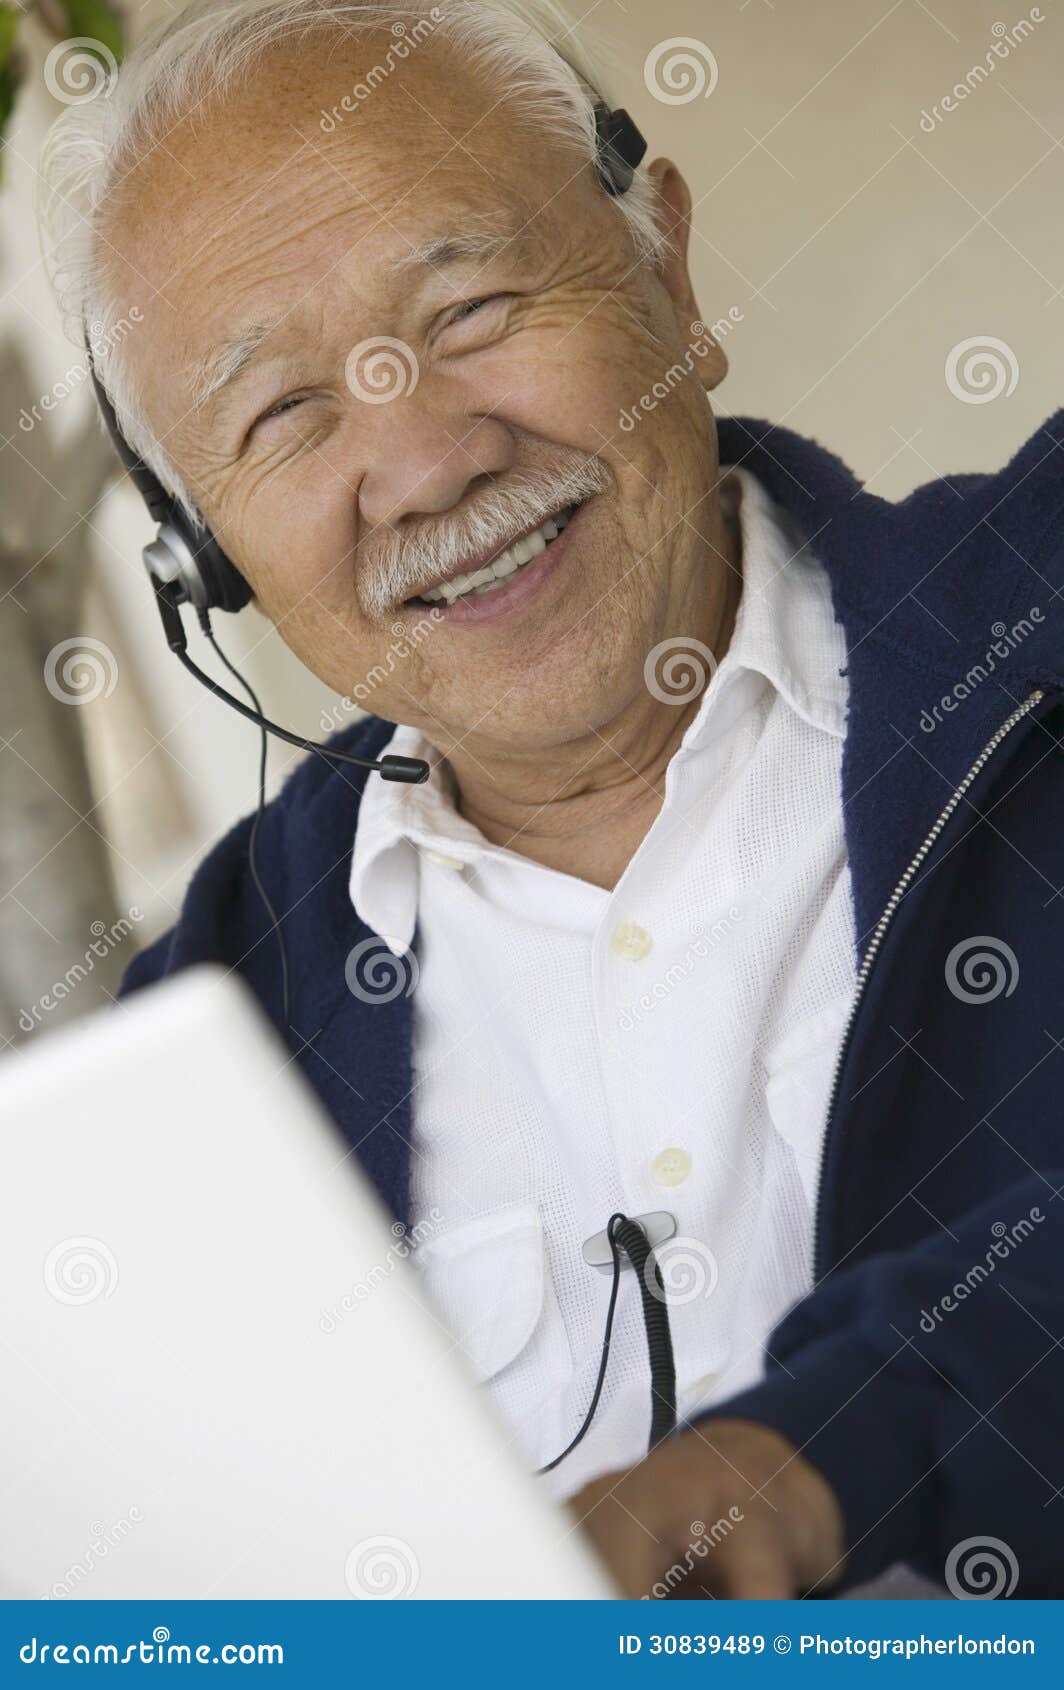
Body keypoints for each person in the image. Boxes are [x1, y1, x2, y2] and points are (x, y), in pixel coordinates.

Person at [39, 0, 1064, 1599]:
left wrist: (830, 1454)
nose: (431, 464)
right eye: (285, 414)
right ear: (206, 550)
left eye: (470, 309)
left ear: (666, 268)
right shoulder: (221, 1025)